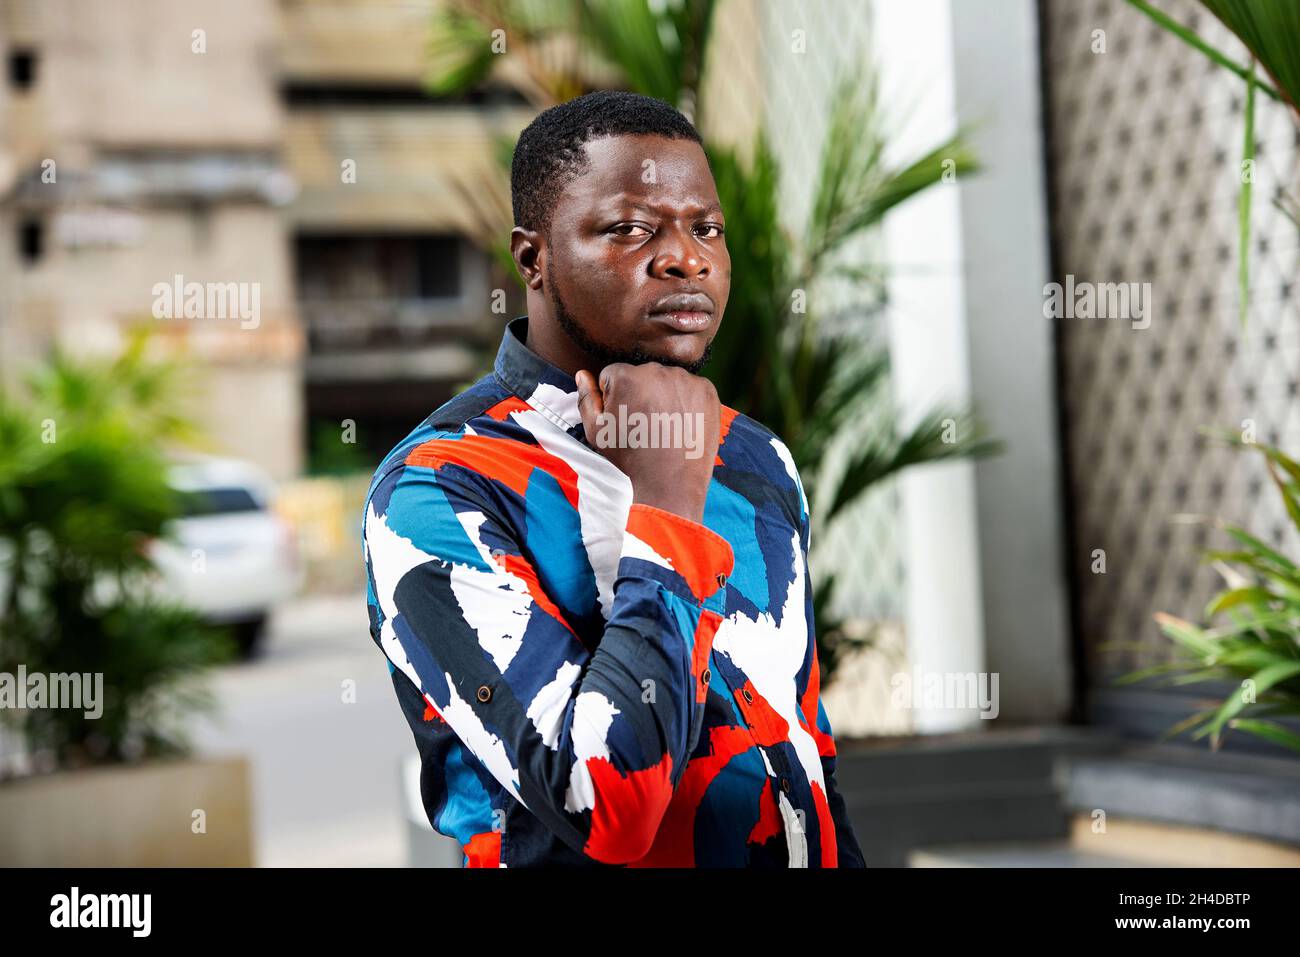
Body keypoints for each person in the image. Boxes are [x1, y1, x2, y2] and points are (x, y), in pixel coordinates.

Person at [362, 89, 866, 868]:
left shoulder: (755, 455)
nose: (685, 257)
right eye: (630, 228)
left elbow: (804, 755)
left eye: (706, 229)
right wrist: (664, 510)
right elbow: (604, 806)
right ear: (532, 257)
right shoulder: (440, 488)